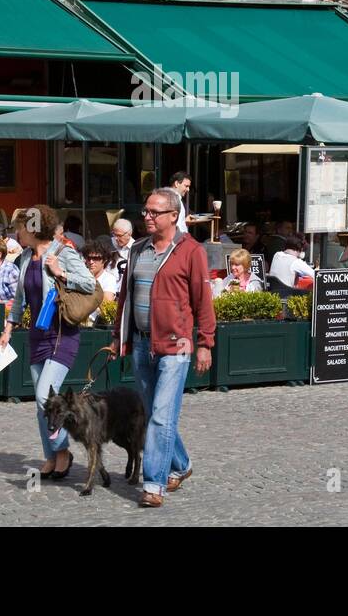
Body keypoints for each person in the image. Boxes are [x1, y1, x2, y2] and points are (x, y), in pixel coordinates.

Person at [110, 188, 216, 507]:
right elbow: (124, 299)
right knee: (158, 414)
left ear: (174, 215)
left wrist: (205, 344)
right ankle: (181, 465)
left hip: (176, 345)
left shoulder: (191, 251)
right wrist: (118, 336)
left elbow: (203, 301)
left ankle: (153, 484)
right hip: (142, 344)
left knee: (159, 416)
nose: (147, 217)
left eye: (155, 212)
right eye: (145, 211)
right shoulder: (138, 249)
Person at [0, 205, 95, 482]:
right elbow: (19, 299)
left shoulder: (63, 253)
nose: (16, 233)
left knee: (44, 396)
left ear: (33, 229)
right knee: (40, 402)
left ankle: (62, 450)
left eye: (20, 228)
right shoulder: (26, 257)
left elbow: (89, 283)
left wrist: (61, 273)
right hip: (37, 335)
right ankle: (51, 455)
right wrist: (8, 328)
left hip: (62, 334)